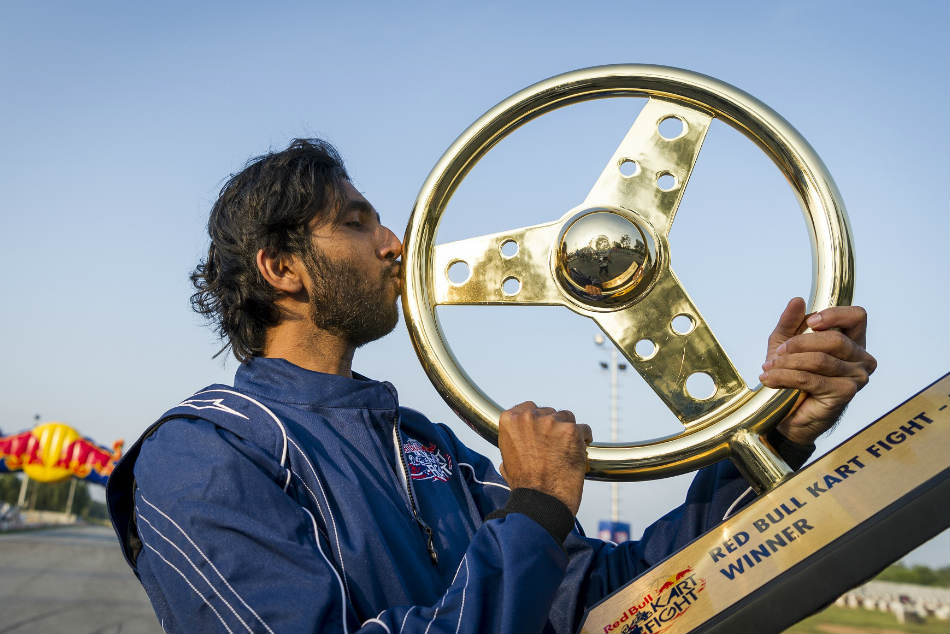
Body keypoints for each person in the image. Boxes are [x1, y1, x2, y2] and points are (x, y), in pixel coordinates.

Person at [107, 139, 876, 634]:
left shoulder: (425, 447)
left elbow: (603, 598)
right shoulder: (204, 454)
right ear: (282, 269)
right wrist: (535, 509)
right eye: (355, 222)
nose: (394, 244)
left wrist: (770, 432)